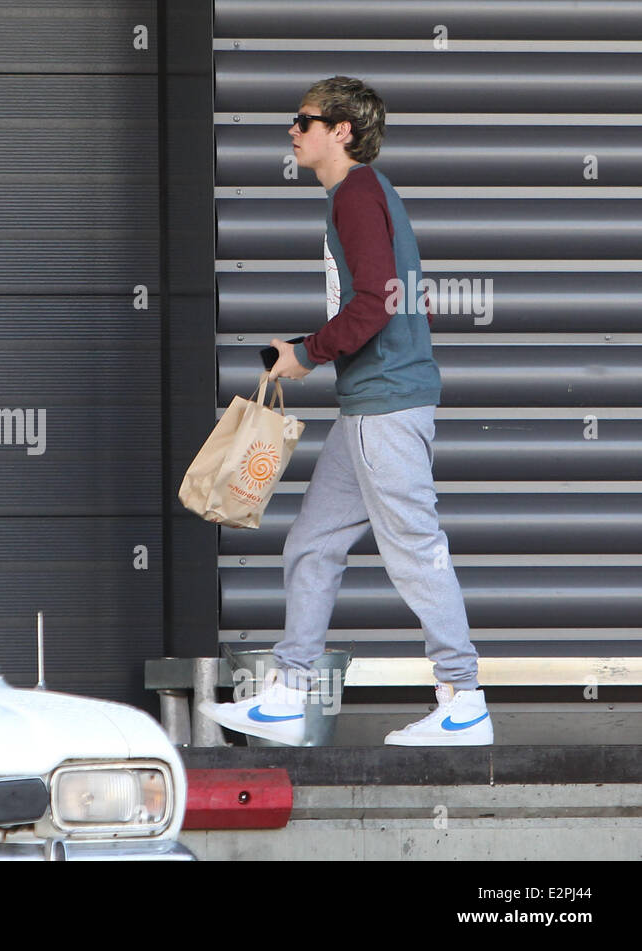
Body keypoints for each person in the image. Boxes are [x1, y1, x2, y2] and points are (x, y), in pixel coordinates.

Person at [204, 76, 492, 746]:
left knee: (415, 548)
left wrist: (307, 352)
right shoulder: (353, 196)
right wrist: (305, 349)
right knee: (312, 542)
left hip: (386, 408)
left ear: (342, 131)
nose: (292, 131)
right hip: (369, 405)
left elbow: (375, 304)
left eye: (302, 120)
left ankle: (463, 696)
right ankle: (288, 692)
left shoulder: (358, 193)